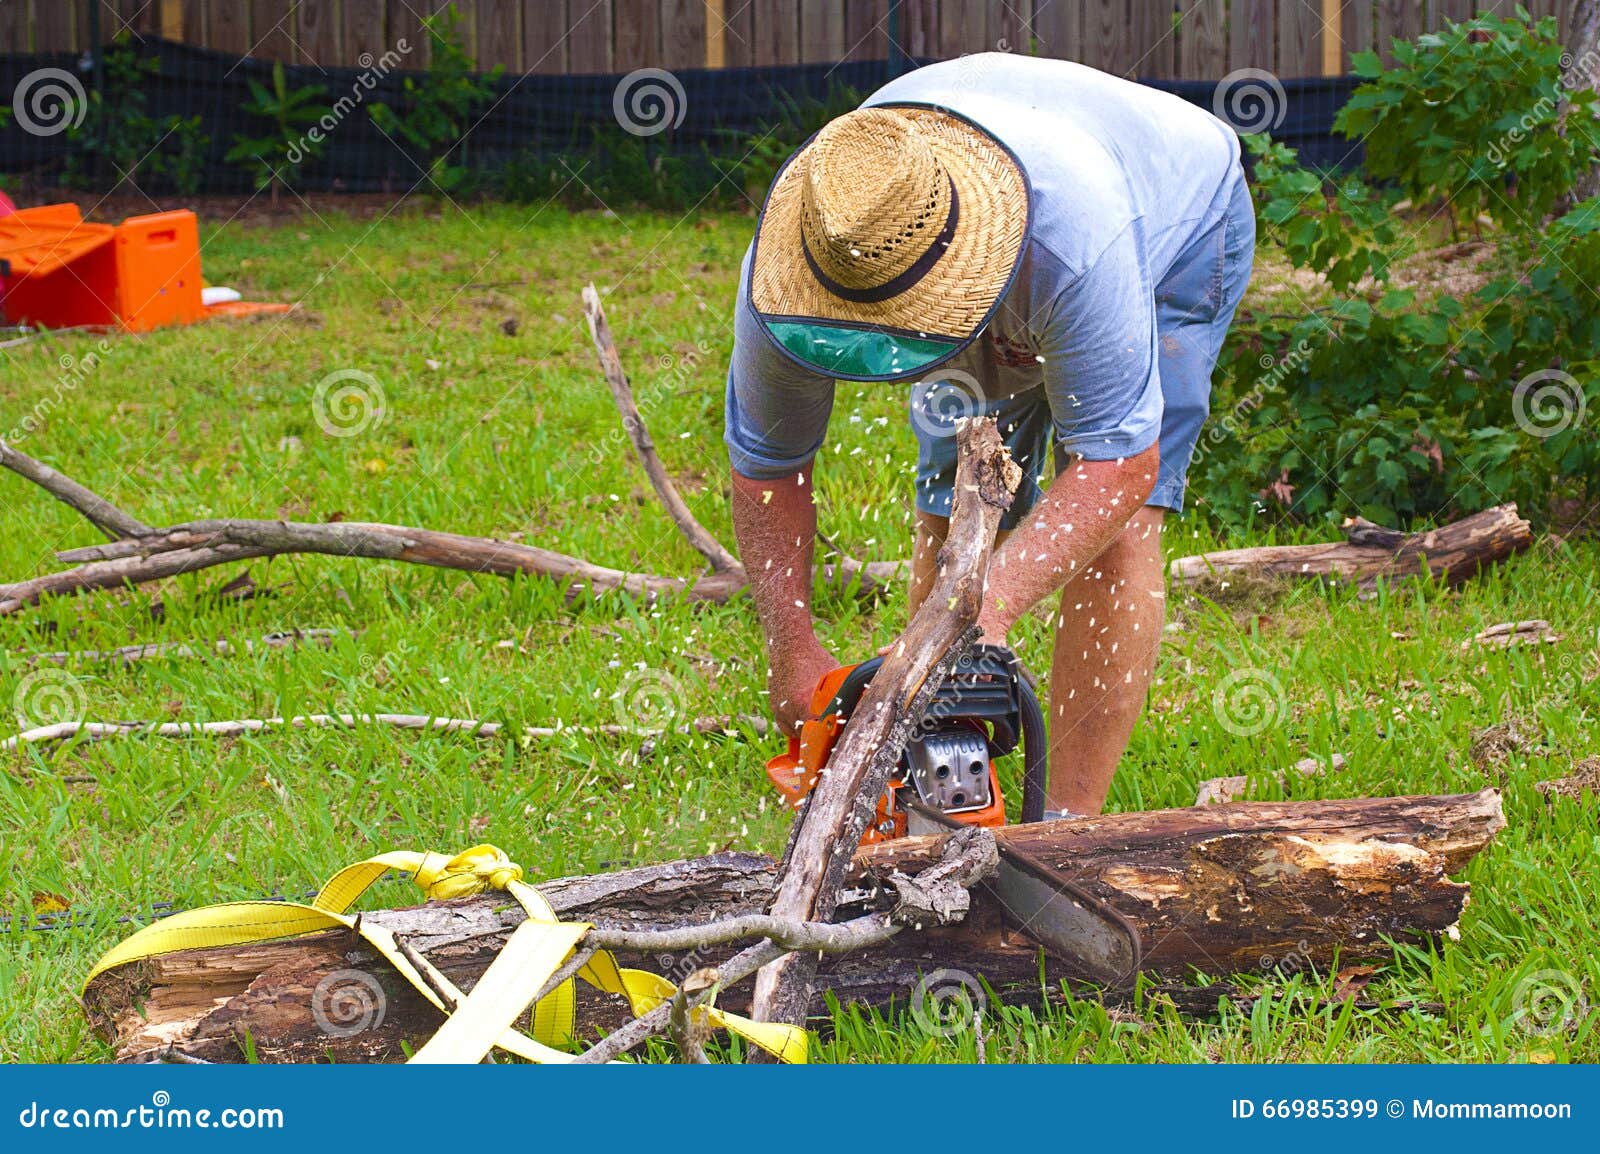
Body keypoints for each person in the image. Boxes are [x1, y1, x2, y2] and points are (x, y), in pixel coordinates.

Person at [724, 54, 1255, 816]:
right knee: (951, 495)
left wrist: (978, 613)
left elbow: (1118, 465)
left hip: (1174, 211)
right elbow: (769, 469)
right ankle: (928, 786)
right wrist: (792, 650)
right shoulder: (804, 259)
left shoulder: (1077, 247)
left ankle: (1070, 829)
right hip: (974, 209)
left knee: (1117, 527)